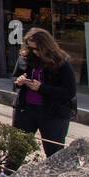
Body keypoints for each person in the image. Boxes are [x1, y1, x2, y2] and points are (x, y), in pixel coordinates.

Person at [9, 27, 77, 165]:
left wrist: (42, 88)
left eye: (37, 49)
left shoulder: (61, 63)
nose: (35, 52)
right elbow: (14, 79)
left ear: (46, 47)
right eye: (31, 48)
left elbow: (69, 92)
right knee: (17, 147)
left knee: (54, 151)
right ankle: (6, 175)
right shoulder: (25, 58)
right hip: (25, 109)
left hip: (53, 113)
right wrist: (19, 81)